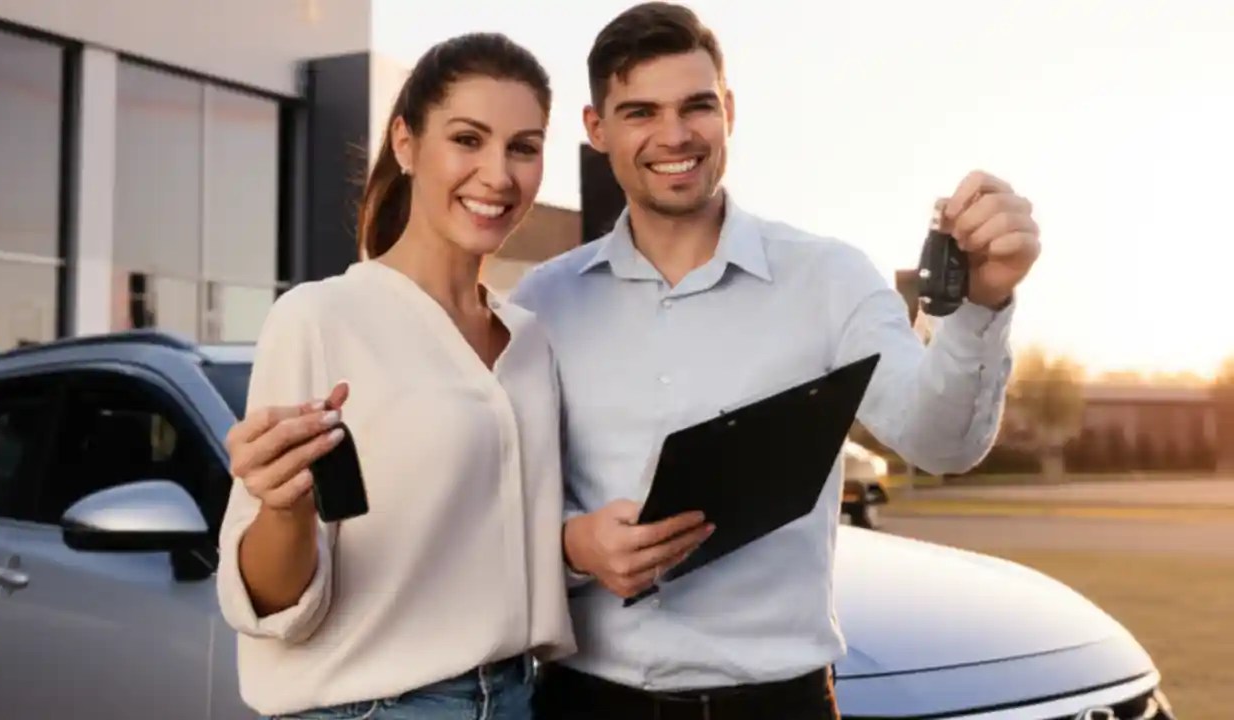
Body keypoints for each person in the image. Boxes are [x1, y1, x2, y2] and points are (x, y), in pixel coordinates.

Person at [511, 3, 1041, 720]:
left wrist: (982, 303)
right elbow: (495, 513)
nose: (674, 135)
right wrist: (574, 548)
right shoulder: (541, 303)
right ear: (596, 128)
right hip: (587, 704)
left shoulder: (828, 279)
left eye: (696, 106)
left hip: (780, 705)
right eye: (640, 111)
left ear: (727, 110)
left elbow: (942, 444)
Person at [215, 32, 576, 720]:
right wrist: (283, 507)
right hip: (375, 708)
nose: (499, 174)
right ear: (406, 143)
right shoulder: (321, 318)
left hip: (516, 698)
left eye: (523, 147)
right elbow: (266, 602)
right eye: (468, 139)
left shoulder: (530, 341)